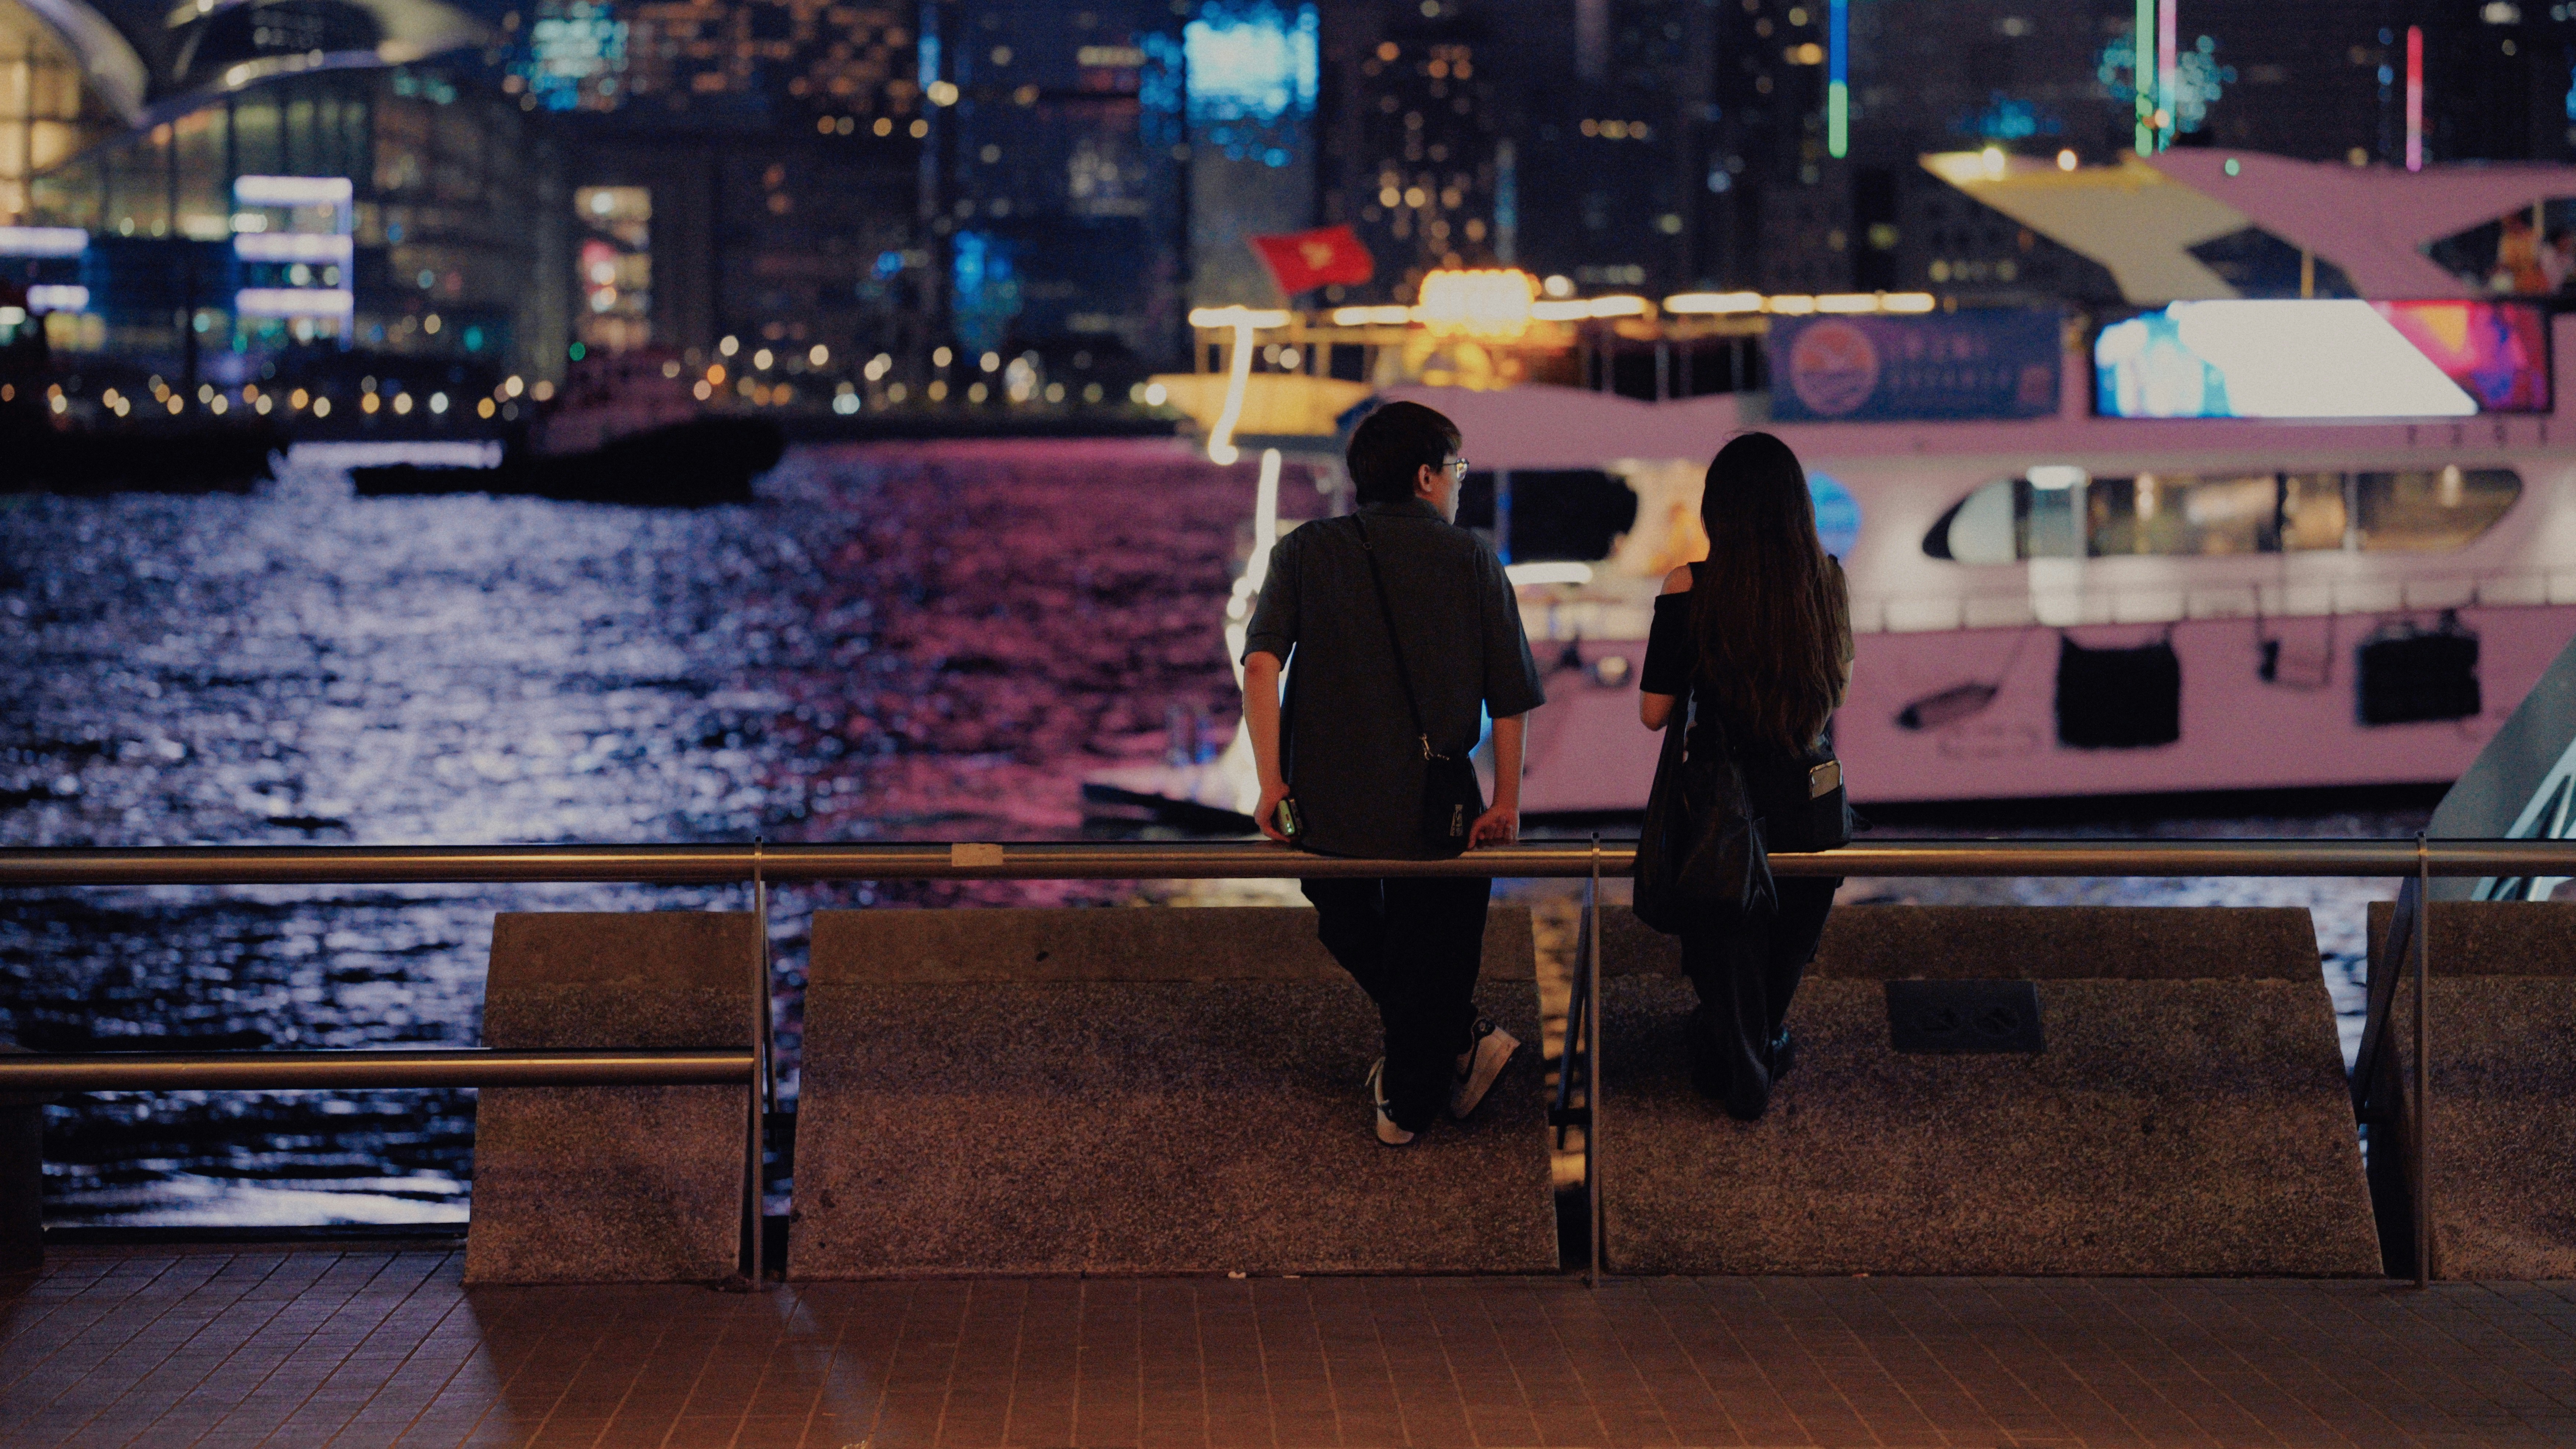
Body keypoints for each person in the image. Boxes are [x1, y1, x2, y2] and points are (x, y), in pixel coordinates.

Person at [1241, 400, 1546, 1146]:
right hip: (1437, 801)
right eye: (1456, 470)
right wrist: (1506, 800)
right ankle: (1430, 1077)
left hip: (1326, 803)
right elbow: (1510, 698)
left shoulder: (1305, 551)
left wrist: (1272, 783)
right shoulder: (1473, 559)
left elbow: (1259, 665)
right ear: (1424, 478)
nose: (1459, 483)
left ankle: (1436, 1065)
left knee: (1345, 919)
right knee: (1434, 944)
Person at [1638, 432, 1853, 1121]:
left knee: (1723, 944)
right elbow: (1834, 690)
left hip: (1723, 808)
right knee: (1784, 955)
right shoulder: (1827, 579)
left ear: (1717, 509)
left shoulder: (1690, 586)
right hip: (1810, 804)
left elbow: (1653, 714)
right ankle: (1761, 1045)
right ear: (1798, 508)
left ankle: (1737, 1056)